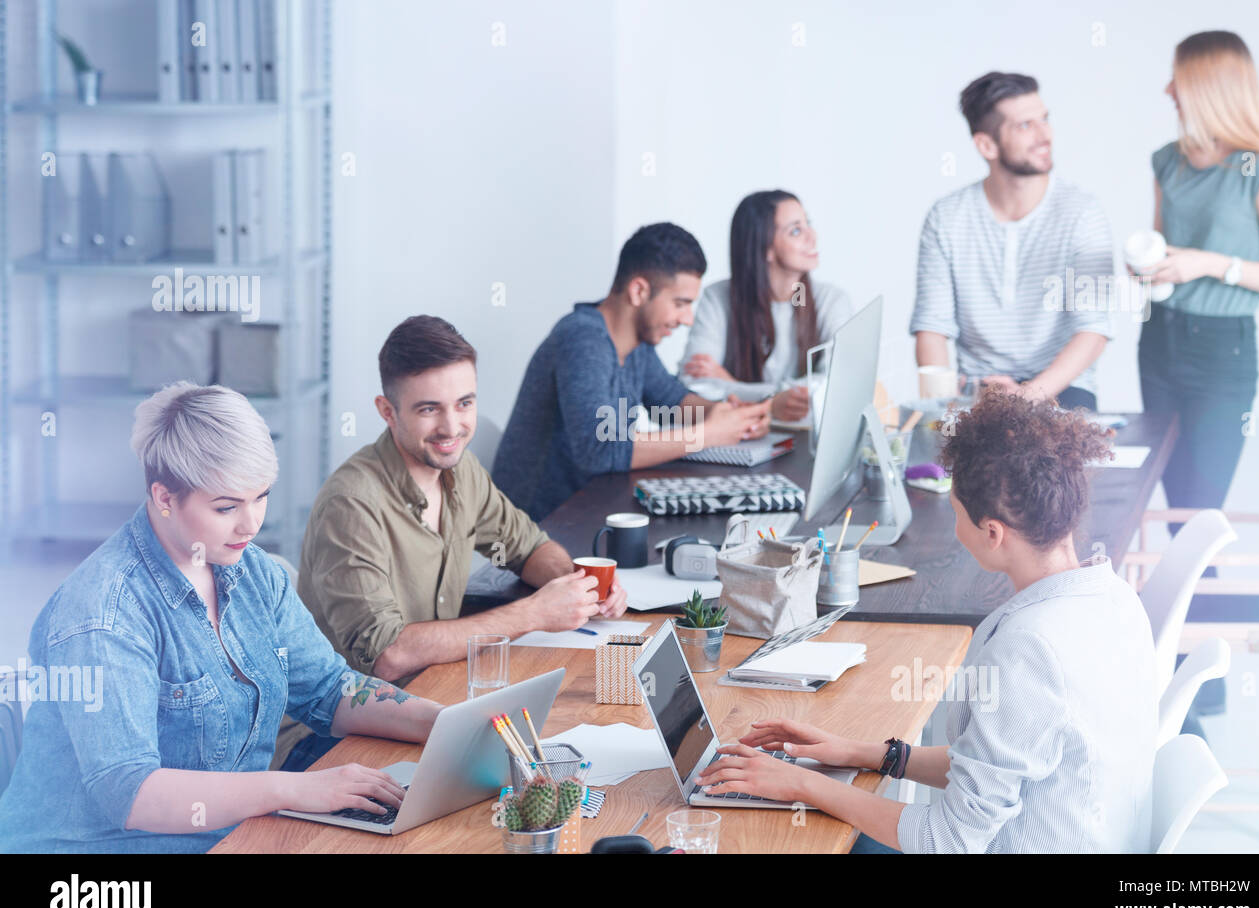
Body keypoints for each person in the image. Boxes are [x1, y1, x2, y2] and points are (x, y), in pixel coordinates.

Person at [695, 391, 1158, 853]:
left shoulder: (1029, 647)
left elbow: (949, 840)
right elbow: (999, 765)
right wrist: (865, 754)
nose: (956, 528)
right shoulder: (1114, 595)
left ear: (992, 532)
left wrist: (800, 785)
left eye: (957, 513)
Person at [0, 383, 442, 852]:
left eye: (260, 497)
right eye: (227, 507)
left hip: (231, 835)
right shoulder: (103, 612)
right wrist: (296, 790)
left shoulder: (254, 573)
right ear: (164, 497)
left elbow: (330, 690)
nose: (251, 524)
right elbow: (130, 793)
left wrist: (443, 724)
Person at [281, 316, 626, 770]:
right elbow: (389, 655)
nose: (452, 426)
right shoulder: (351, 504)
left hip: (431, 700)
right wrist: (537, 612)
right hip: (335, 737)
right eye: (428, 409)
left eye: (464, 403)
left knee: (573, 754)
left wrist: (578, 586)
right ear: (387, 411)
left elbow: (527, 546)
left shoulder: (460, 472)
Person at [493, 222, 771, 522]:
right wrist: (708, 434)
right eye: (680, 303)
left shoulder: (636, 344)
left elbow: (670, 401)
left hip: (592, 510)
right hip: (539, 531)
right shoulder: (582, 339)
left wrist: (729, 415)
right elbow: (599, 448)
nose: (688, 319)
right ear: (639, 291)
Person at [1138, 30, 1259, 524]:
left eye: (1178, 79)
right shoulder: (1168, 160)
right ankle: (1191, 600)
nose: (1168, 90)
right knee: (1174, 510)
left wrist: (1210, 264)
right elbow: (1164, 242)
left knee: (1198, 513)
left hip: (1221, 353)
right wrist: (1149, 263)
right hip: (1159, 339)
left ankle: (1200, 599)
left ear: (1208, 88)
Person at [910, 72, 1115, 410]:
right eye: (1025, 126)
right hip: (979, 389)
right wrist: (942, 407)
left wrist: (1027, 397)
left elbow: (1093, 331)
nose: (1044, 134)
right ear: (986, 145)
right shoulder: (946, 218)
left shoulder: (1084, 213)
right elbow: (932, 328)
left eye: (1044, 120)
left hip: (1060, 386)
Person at [677, 190, 854, 422]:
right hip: (739, 437)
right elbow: (693, 382)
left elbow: (835, 382)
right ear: (765, 248)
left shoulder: (831, 300)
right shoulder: (717, 298)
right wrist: (774, 400)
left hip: (804, 438)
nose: (813, 237)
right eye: (796, 231)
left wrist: (733, 385)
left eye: (807, 224)